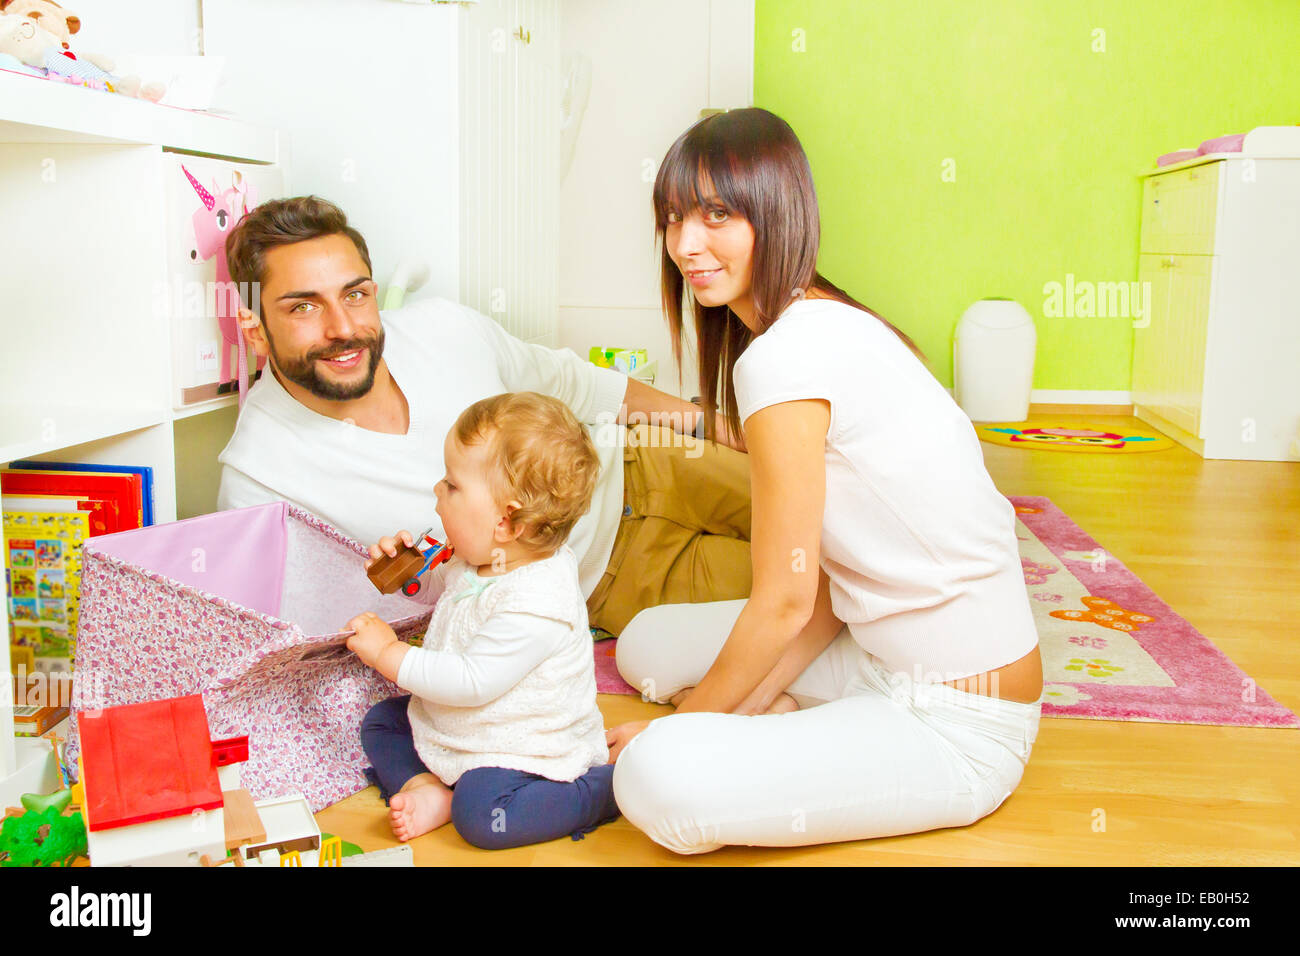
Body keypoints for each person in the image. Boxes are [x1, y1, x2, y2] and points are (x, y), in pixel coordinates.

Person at [605, 108, 1044, 855]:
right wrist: (731, 709)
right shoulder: (821, 317)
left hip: (960, 720)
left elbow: (782, 599)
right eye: (674, 216)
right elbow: (822, 589)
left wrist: (685, 728)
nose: (685, 244)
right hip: (879, 655)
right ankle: (781, 728)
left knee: (654, 775)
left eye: (716, 214)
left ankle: (773, 735)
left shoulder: (783, 360)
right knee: (644, 643)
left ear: (777, 211)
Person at [217, 196, 753, 635]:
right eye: (302, 307)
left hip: (647, 460)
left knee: (833, 515)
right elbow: (304, 640)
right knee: (814, 597)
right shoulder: (260, 480)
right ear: (255, 328)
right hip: (618, 577)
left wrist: (715, 427)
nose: (342, 327)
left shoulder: (441, 328)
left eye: (354, 295)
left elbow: (580, 383)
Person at [346, 391, 619, 849]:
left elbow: (472, 681)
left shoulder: (537, 599)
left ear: (506, 523)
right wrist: (408, 576)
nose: (437, 491)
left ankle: (604, 789)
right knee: (381, 721)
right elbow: (450, 596)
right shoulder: (483, 560)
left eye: (452, 486)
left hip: (522, 747)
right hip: (464, 727)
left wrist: (389, 655)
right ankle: (426, 788)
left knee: (484, 813)